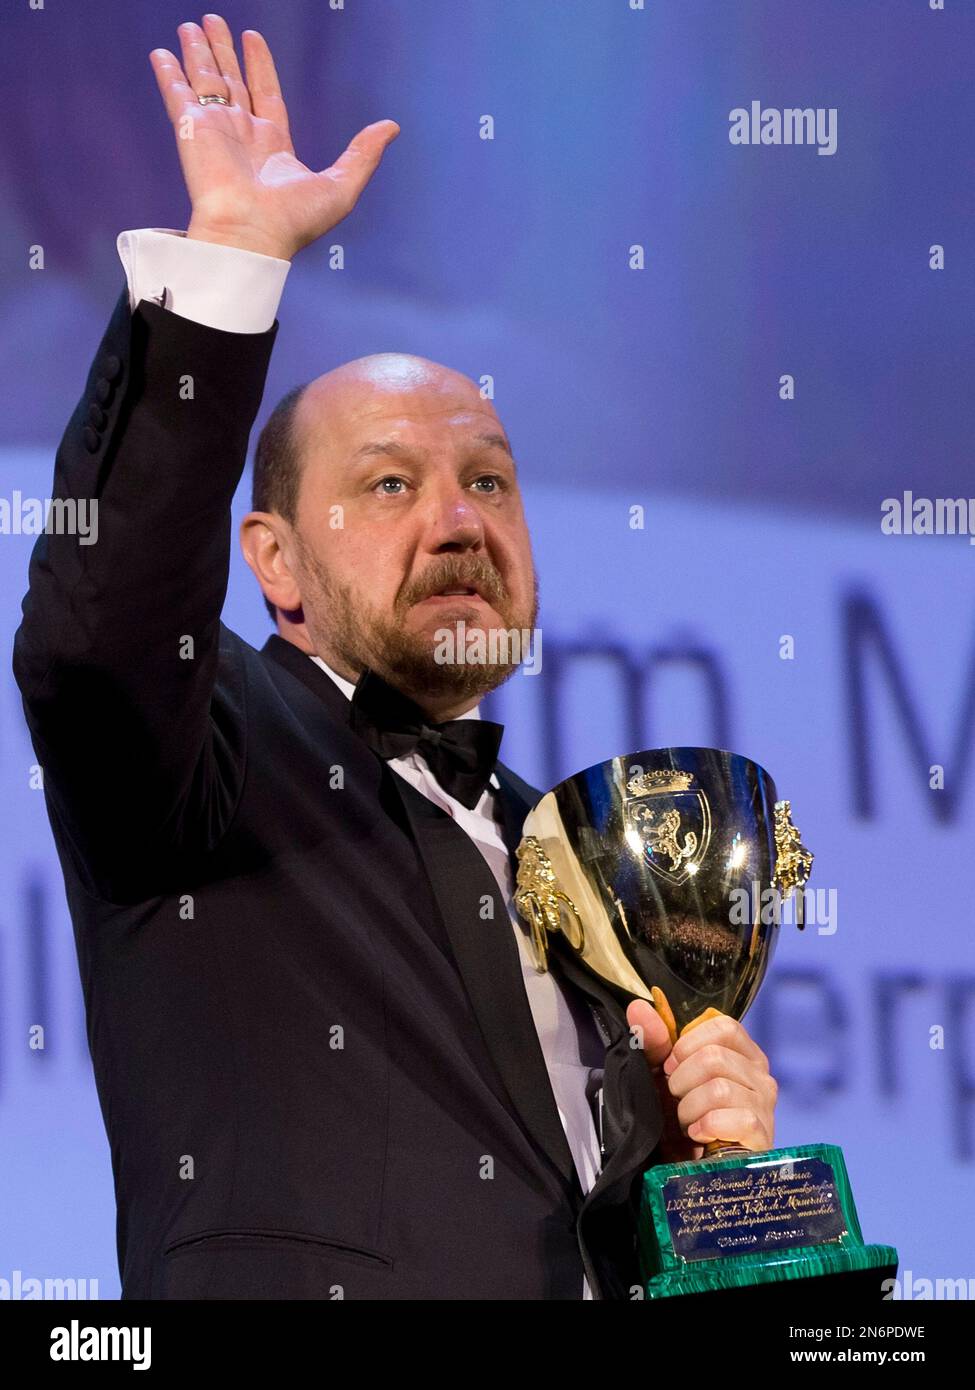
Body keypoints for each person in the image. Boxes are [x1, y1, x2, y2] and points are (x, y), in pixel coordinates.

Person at [12, 15, 778, 1300]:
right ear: (273, 561)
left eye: (489, 480)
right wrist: (236, 260)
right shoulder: (209, 753)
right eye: (388, 484)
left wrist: (712, 1192)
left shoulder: (581, 855)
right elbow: (100, 635)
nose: (460, 518)